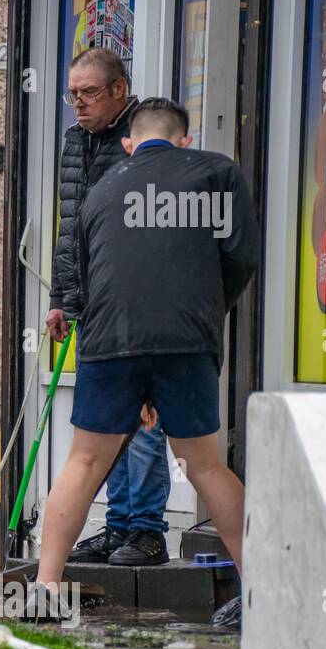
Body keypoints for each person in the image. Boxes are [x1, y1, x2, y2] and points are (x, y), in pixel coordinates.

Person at [33, 97, 259, 620]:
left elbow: (85, 275)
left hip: (110, 339)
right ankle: (260, 591)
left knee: (84, 461)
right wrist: (201, 315)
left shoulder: (101, 189)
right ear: (185, 139)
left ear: (129, 144)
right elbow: (241, 258)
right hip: (186, 339)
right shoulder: (217, 172)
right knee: (205, 465)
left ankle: (44, 589)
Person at [48, 47, 173, 566]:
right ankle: (119, 524)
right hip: (93, 306)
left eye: (89, 93)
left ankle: (147, 530)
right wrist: (61, 298)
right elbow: (69, 227)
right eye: (72, 94)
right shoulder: (76, 141)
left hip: (139, 306)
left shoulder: (142, 140)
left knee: (144, 422)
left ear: (119, 89)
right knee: (106, 422)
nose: (78, 104)